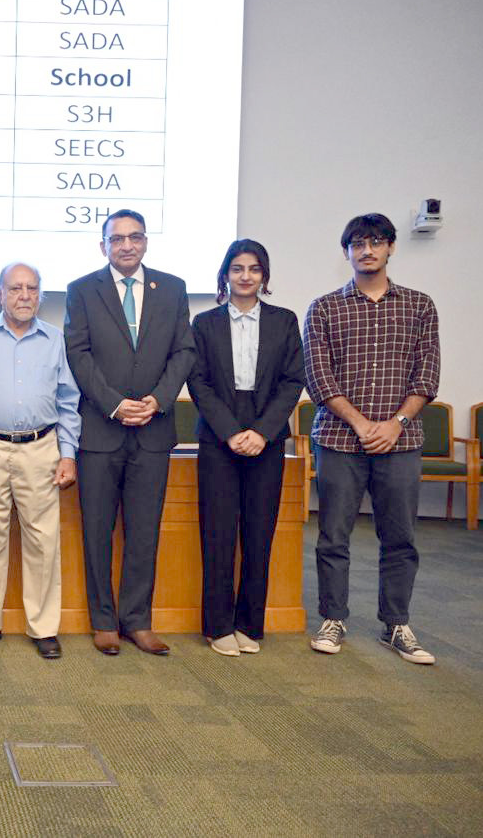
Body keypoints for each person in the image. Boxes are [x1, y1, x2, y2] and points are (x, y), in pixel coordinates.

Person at [303, 213, 440, 664]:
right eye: (358, 244)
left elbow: (427, 375)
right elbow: (319, 377)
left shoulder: (420, 306)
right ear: (346, 252)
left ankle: (396, 624)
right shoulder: (324, 308)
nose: (367, 250)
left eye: (376, 242)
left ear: (391, 248)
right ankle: (333, 618)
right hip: (340, 440)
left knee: (400, 537)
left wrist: (395, 422)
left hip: (401, 441)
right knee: (333, 535)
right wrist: (361, 424)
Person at [64, 209, 195, 657]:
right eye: (116, 238)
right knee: (97, 530)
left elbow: (183, 352)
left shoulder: (173, 289)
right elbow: (78, 354)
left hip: (154, 431)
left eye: (134, 237)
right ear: (103, 245)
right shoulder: (82, 290)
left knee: (144, 531)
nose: (126, 245)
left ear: (145, 242)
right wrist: (115, 404)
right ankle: (103, 620)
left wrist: (157, 399)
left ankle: (137, 620)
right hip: (101, 430)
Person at [0, 262, 80, 660]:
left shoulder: (56, 340)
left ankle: (43, 629)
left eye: (32, 288)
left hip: (41, 448)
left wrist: (68, 453)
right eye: (15, 288)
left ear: (41, 295)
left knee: (43, 540)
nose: (24, 295)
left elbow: (69, 402)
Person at [187, 240, 305, 656]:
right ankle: (218, 626)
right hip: (220, 433)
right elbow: (197, 381)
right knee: (218, 534)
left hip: (266, 433)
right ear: (225, 275)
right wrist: (230, 431)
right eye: (237, 268)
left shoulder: (285, 321)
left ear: (264, 277)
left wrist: (263, 431)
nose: (245, 276)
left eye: (254, 269)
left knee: (259, 532)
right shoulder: (204, 323)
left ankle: (249, 625)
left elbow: (293, 381)